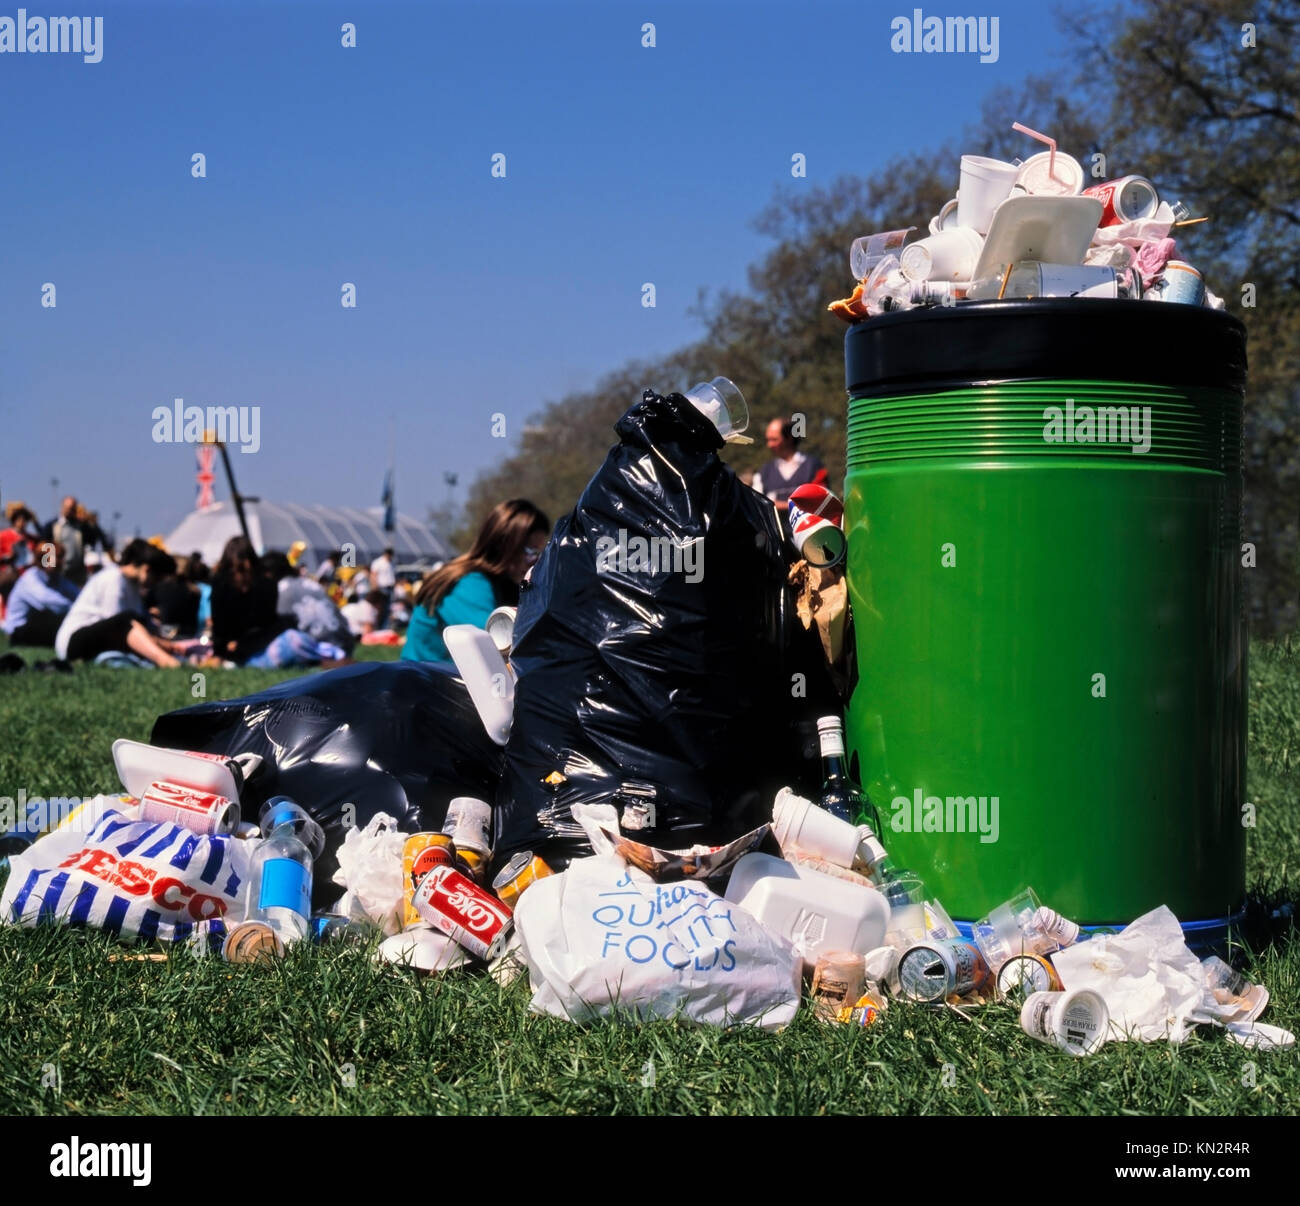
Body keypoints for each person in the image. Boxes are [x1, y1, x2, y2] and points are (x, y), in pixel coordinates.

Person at [403, 499, 550, 663]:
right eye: (530, 550)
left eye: (539, 553)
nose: (535, 561)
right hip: (424, 680)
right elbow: (500, 644)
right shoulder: (467, 582)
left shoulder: (502, 582)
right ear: (502, 544)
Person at [54, 539, 183, 666]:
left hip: (93, 639)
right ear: (146, 570)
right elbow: (119, 626)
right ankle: (166, 661)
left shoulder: (132, 586)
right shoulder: (113, 579)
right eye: (157, 578)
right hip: (73, 642)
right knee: (125, 620)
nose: (155, 584)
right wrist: (158, 643)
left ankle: (168, 659)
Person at [262, 551, 355, 656]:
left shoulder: (281, 590)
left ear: (268, 573)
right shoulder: (309, 583)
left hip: (322, 649)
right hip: (346, 644)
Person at [2, 542, 80, 646]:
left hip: (34, 626)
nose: (62, 561)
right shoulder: (30, 579)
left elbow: (78, 594)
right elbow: (53, 603)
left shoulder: (56, 578)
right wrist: (80, 609)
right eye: (59, 557)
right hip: (18, 632)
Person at [751, 416, 831, 512]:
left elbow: (821, 501)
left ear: (789, 438)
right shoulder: (764, 472)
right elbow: (756, 504)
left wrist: (781, 505)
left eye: (774, 439)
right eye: (768, 440)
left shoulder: (813, 466)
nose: (769, 445)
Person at [49, 496, 86, 586]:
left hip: (76, 573)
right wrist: (47, 568)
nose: (70, 511)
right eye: (67, 508)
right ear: (62, 508)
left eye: (72, 508)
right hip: (58, 572)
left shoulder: (81, 527)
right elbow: (45, 545)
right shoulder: (52, 526)